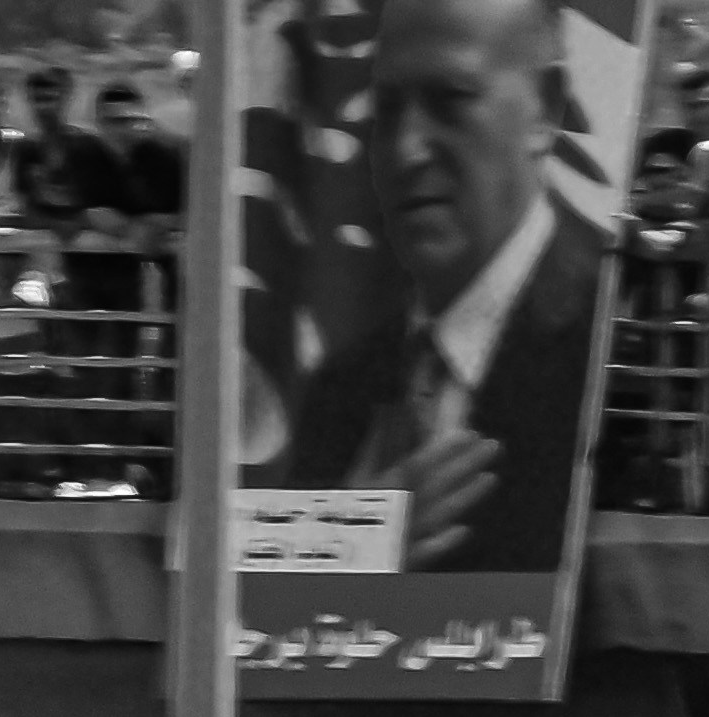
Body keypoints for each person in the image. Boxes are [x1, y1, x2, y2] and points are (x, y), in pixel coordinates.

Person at [256, 0, 615, 572]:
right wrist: (351, 538)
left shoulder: (612, 342)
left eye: (451, 101)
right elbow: (229, 584)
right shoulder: (344, 382)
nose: (406, 151)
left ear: (544, 108)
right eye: (388, 112)